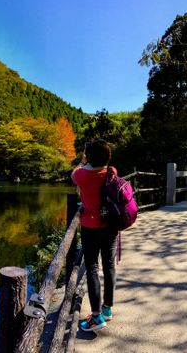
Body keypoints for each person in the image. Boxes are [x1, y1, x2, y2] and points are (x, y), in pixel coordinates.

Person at [73, 138, 119, 332]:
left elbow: (75, 173)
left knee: (92, 266)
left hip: (90, 226)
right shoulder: (111, 171)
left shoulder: (81, 175)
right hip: (110, 225)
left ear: (88, 155)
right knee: (108, 264)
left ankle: (96, 316)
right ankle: (107, 309)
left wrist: (83, 161)